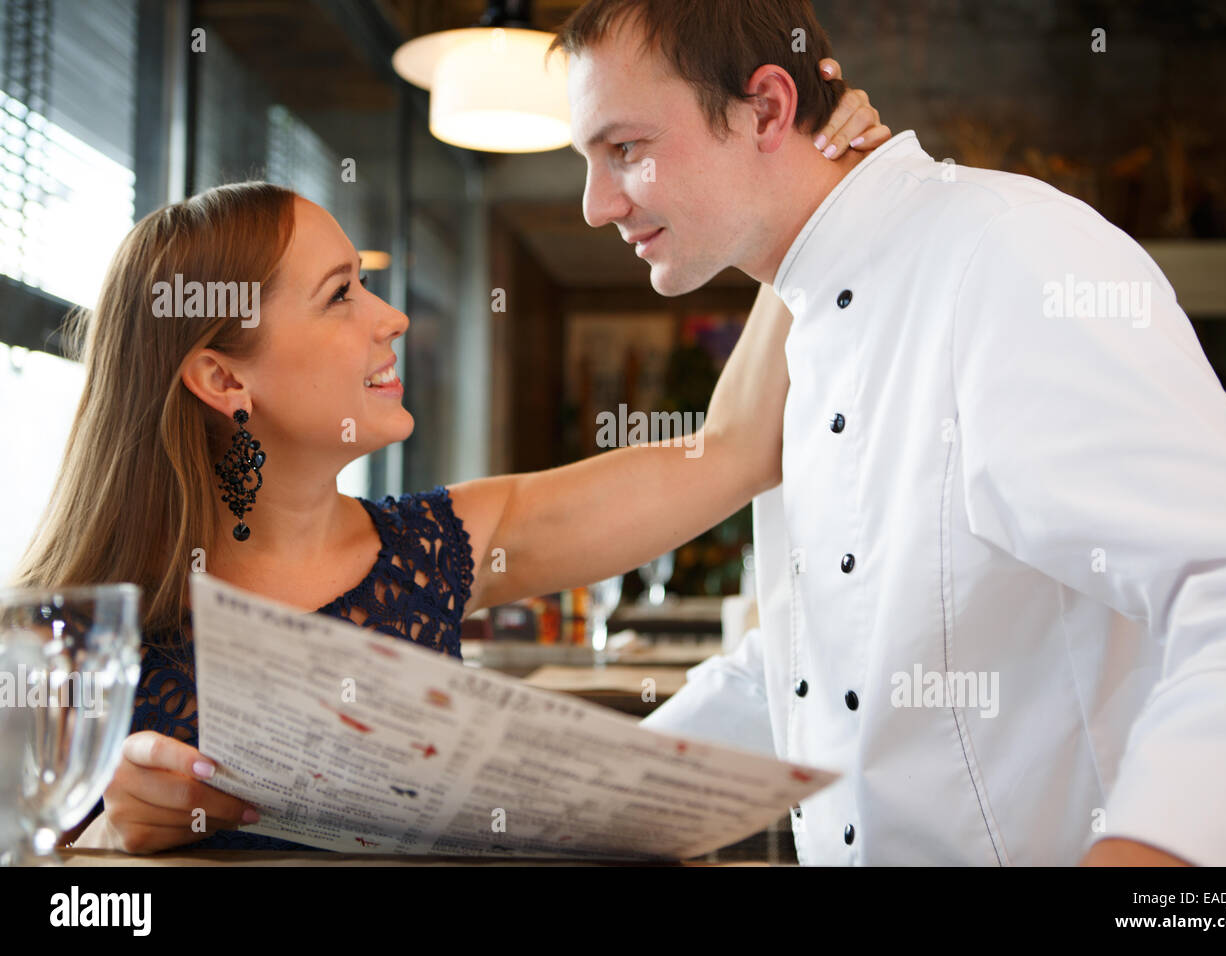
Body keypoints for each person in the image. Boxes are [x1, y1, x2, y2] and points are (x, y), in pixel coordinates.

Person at [8, 60, 888, 855]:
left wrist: (807, 192)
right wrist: (101, 836)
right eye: (340, 295)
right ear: (220, 377)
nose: (389, 318)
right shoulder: (65, 644)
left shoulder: (436, 545)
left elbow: (731, 450)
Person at [553, 0, 1226, 865]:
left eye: (626, 150)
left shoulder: (1010, 255)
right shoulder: (809, 317)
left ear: (765, 109)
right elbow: (823, 660)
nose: (595, 205)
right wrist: (578, 803)